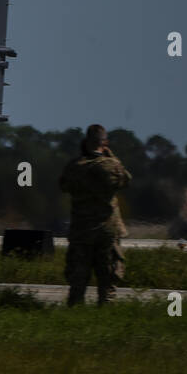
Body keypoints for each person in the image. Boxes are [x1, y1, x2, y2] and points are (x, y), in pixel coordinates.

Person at [59, 124, 131, 306]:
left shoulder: (75, 167)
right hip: (107, 230)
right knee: (107, 280)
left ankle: (74, 311)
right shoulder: (112, 166)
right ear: (104, 142)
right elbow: (126, 180)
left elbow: (63, 185)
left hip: (82, 230)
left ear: (85, 142)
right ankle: (105, 312)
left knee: (78, 280)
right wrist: (111, 155)